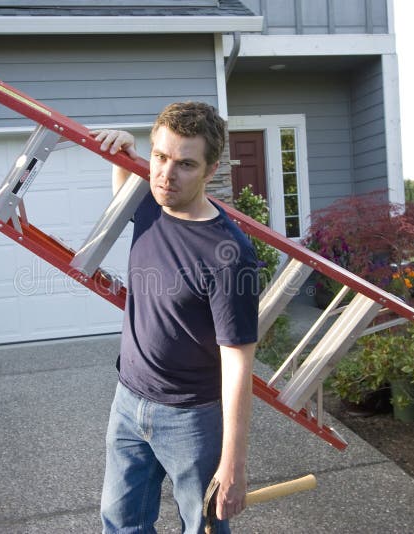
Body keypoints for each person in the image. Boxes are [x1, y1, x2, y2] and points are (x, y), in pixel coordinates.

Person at [92, 102, 260, 533]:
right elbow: (121, 196)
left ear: (210, 169)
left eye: (185, 164)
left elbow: (239, 365)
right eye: (160, 157)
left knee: (203, 528)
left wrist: (233, 463)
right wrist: (124, 149)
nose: (167, 174)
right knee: (120, 523)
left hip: (192, 419)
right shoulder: (148, 203)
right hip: (128, 402)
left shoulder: (229, 254)